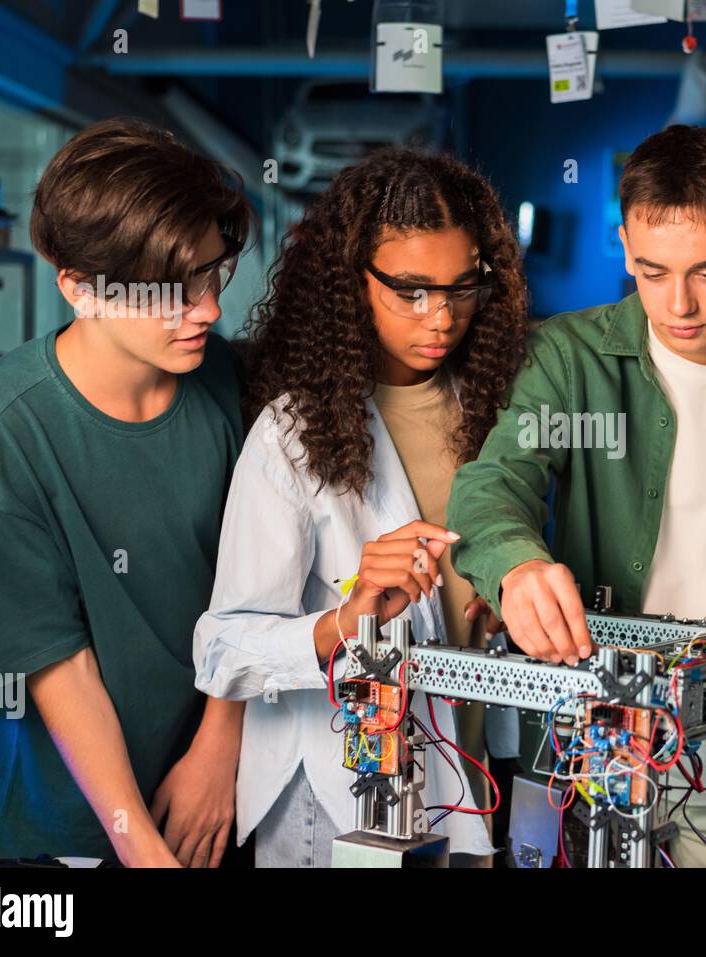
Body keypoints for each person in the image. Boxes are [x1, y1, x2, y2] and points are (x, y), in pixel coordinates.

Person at [447, 124, 706, 867]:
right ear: (626, 244)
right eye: (653, 271)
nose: (681, 304)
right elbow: (494, 481)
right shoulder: (569, 357)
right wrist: (513, 562)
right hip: (585, 731)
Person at [193, 148, 529, 867]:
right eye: (410, 290)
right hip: (337, 798)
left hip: (467, 780)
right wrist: (347, 618)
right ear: (352, 281)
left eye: (462, 287)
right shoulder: (293, 431)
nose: (441, 316)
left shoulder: (499, 410)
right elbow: (222, 648)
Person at [0, 118, 254, 866]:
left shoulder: (227, 386)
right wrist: (140, 845)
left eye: (215, 274)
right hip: (65, 822)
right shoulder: (2, 429)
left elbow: (258, 588)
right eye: (174, 291)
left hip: (214, 793)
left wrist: (219, 744)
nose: (207, 308)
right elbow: (58, 660)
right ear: (81, 289)